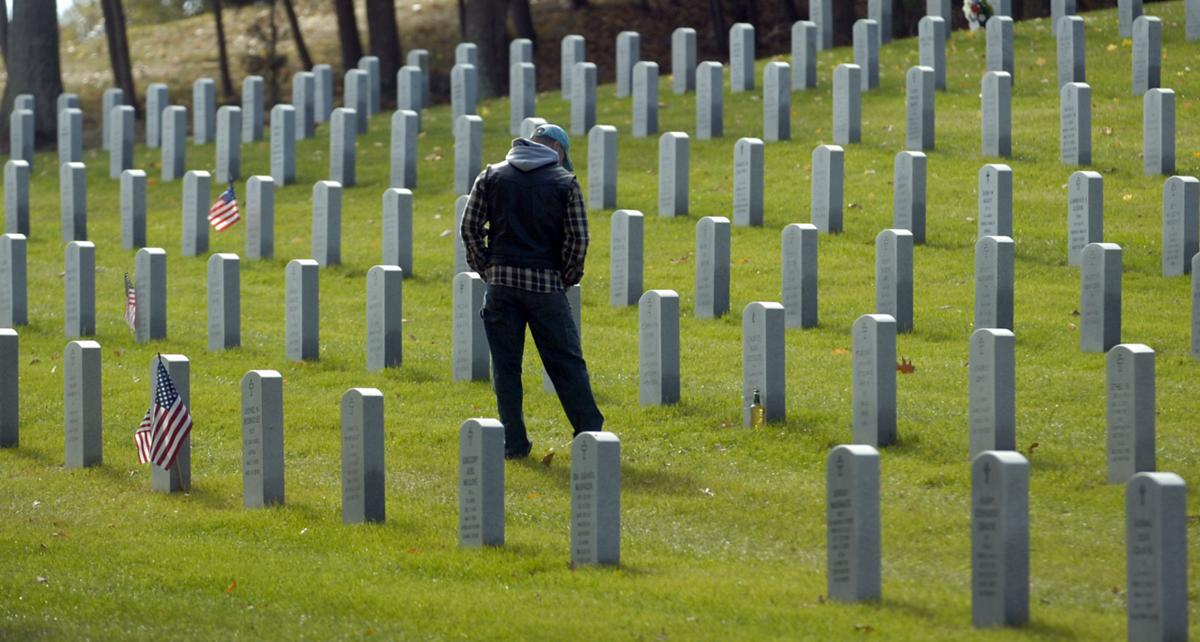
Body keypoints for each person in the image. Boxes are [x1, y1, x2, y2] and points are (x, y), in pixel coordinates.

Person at [460, 124, 604, 460]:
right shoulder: (564, 182)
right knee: (566, 363)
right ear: (556, 149)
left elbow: (469, 227)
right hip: (545, 286)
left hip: (501, 286)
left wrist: (487, 268)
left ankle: (514, 444)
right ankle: (591, 434)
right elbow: (579, 238)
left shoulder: (490, 175)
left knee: (506, 368)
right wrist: (567, 277)